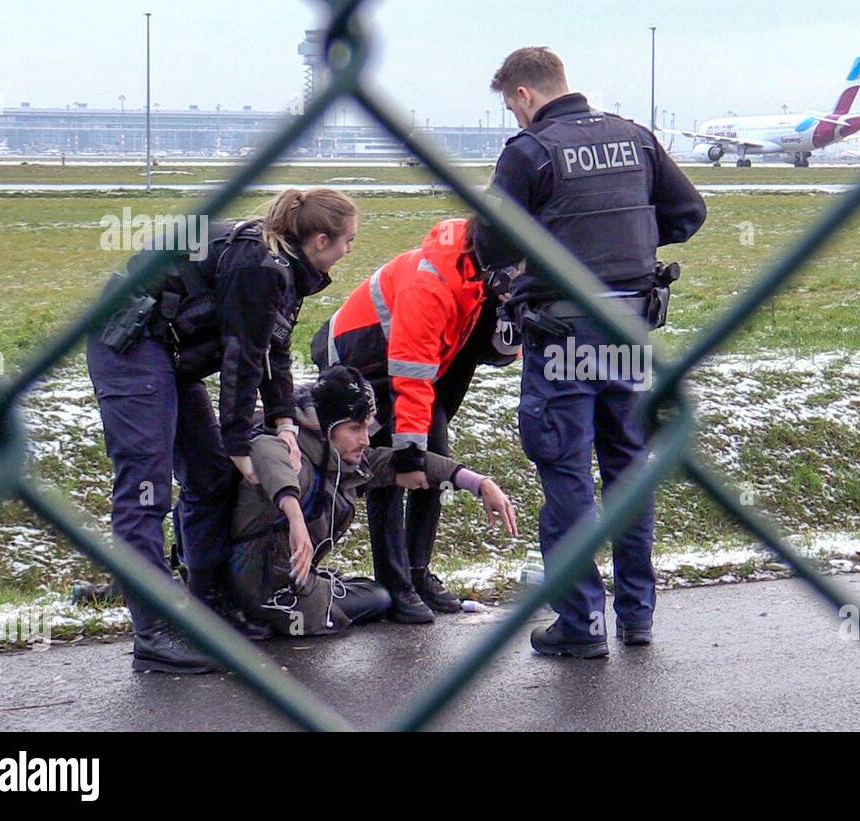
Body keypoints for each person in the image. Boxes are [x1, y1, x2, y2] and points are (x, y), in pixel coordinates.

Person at [474, 47, 707, 657]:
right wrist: (626, 239)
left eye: (511, 106)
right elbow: (688, 213)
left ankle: (580, 624)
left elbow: (488, 240)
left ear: (525, 95)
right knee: (629, 470)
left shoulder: (530, 152)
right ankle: (637, 615)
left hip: (560, 335)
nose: (514, 118)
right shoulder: (636, 138)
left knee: (567, 475)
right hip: (629, 328)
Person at [86, 187, 357, 673]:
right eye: (346, 241)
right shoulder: (260, 267)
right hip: (129, 346)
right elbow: (240, 360)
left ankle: (206, 603)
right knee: (145, 493)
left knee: (209, 477)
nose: (349, 251)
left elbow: (272, 349)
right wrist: (237, 441)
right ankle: (155, 631)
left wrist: (284, 423)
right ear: (319, 240)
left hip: (169, 354)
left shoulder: (286, 269)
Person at [311, 217, 519, 623]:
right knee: (392, 471)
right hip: (363, 360)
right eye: (517, 270)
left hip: (417, 366)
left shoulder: (476, 264)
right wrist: (409, 458)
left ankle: (417, 571)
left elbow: (466, 355)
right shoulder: (430, 284)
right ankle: (394, 581)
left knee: (435, 463)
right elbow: (410, 377)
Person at [227, 366, 517, 635]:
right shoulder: (292, 452)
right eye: (354, 428)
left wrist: (480, 483)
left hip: (286, 579)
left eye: (366, 427)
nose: (365, 439)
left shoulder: (340, 460)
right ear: (327, 426)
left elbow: (404, 463)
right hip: (259, 587)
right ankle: (258, 617)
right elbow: (268, 454)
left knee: (375, 594)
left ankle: (310, 595)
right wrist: (294, 515)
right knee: (372, 601)